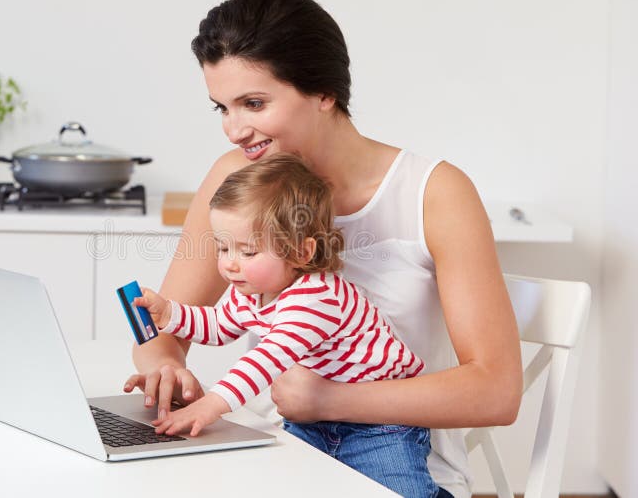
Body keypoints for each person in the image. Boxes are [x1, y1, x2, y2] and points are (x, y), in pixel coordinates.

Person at [123, 0, 522, 498]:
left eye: (254, 103)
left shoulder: (434, 194)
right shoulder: (235, 182)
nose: (234, 130)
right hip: (271, 456)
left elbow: (496, 391)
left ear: (323, 92)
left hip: (393, 463)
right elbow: (168, 327)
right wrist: (165, 366)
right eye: (221, 108)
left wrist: (329, 400)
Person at [135, 154, 436, 496]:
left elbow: (267, 359)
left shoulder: (315, 297)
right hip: (312, 420)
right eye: (223, 248)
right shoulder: (252, 291)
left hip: (381, 426)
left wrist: (211, 405)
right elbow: (218, 327)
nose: (231, 265)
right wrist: (169, 313)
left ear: (301, 252)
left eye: (248, 252)